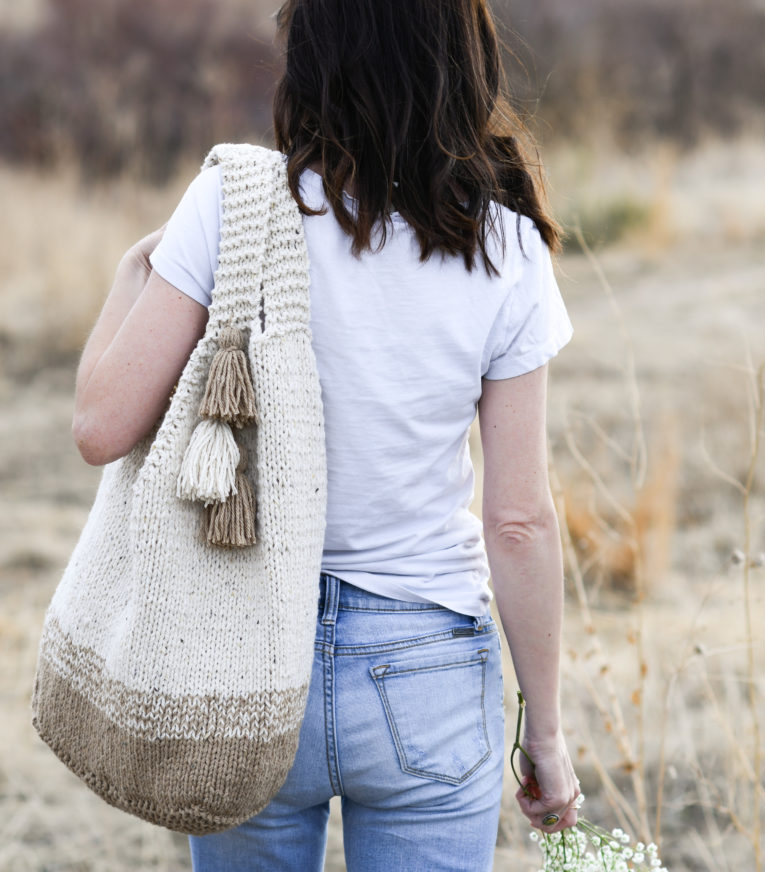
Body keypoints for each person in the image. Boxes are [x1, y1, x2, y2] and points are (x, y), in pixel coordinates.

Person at [71, 0, 581, 868]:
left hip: (245, 654)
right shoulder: (505, 245)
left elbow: (98, 426)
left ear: (311, 56)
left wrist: (133, 271)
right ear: (463, 58)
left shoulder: (233, 204)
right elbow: (519, 523)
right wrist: (548, 734)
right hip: (424, 667)